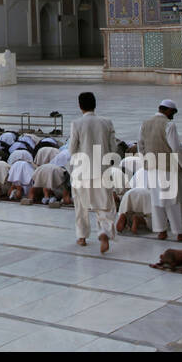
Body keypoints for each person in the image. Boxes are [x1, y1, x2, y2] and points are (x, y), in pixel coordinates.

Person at [68, 91, 118, 253]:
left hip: (81, 171)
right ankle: (103, 233)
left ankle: (82, 236)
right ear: (94, 104)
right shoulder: (107, 122)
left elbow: (72, 149)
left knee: (81, 205)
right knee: (104, 206)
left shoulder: (76, 123)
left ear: (80, 106)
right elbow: (113, 149)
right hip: (102, 171)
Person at [137, 99, 182, 241]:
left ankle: (161, 231)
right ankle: (180, 233)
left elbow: (140, 146)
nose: (173, 115)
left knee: (157, 201)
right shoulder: (169, 125)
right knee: (173, 201)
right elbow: (176, 147)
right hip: (167, 168)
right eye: (173, 112)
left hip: (151, 168)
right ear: (167, 110)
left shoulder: (145, 123)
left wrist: (146, 161)